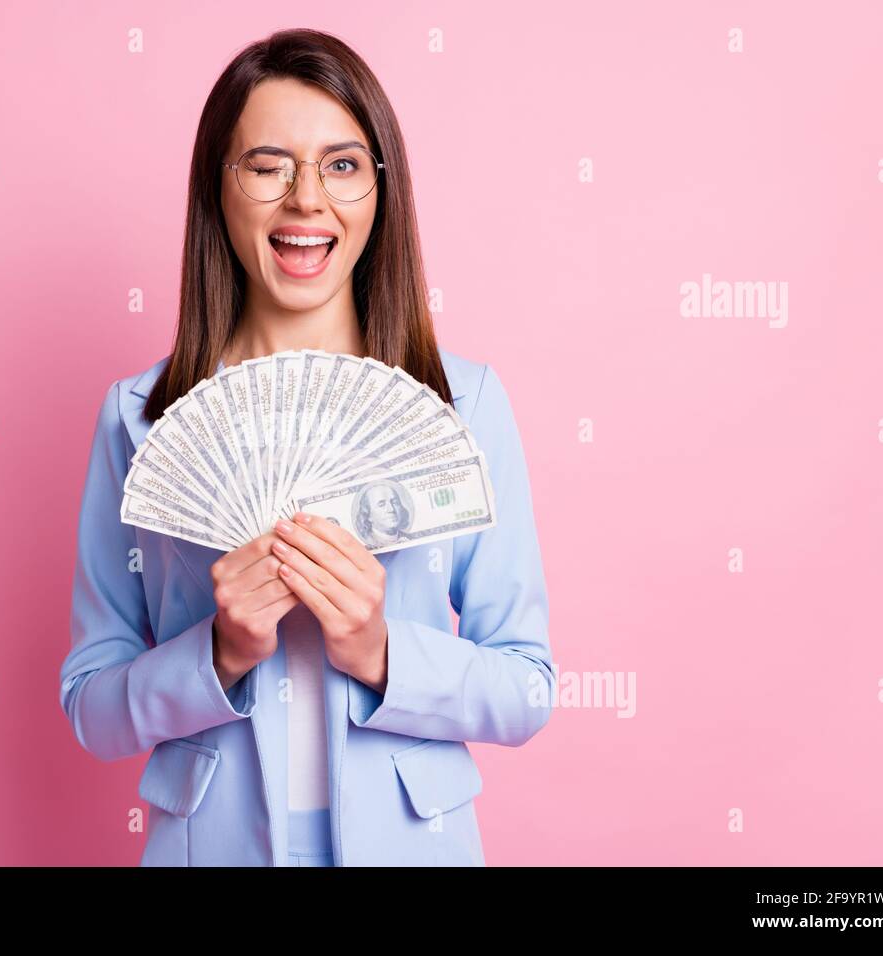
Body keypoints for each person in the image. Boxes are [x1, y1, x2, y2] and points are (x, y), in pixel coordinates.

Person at [59, 28, 554, 866]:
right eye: (267, 165)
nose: (306, 200)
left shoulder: (464, 404)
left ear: (380, 190)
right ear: (219, 188)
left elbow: (526, 687)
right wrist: (216, 652)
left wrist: (381, 651)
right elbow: (91, 706)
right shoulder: (139, 417)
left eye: (342, 164)